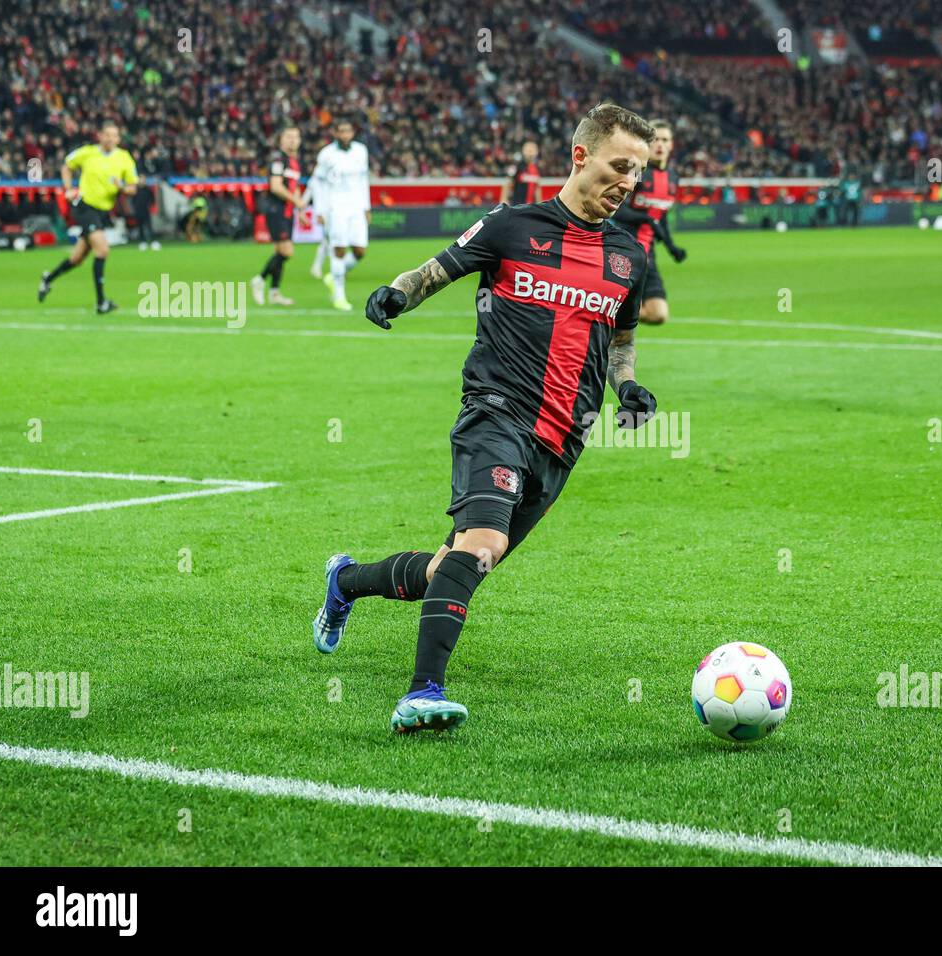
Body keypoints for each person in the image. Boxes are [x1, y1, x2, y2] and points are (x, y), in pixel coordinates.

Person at [311, 104, 659, 733]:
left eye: (638, 172)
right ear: (581, 155)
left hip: (565, 437)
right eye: (618, 167)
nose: (628, 183)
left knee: (459, 564)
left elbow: (623, 340)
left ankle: (347, 582)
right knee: (482, 542)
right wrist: (397, 294)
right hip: (495, 411)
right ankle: (422, 692)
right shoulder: (512, 227)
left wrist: (630, 388)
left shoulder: (627, 257)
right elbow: (436, 270)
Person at [37, 121, 138, 313]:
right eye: (106, 134)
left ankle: (47, 279)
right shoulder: (88, 152)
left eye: (114, 135)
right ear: (99, 136)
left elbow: (133, 187)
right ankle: (101, 303)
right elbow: (66, 166)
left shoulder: (124, 158)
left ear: (118, 138)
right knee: (102, 250)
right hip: (85, 207)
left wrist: (122, 187)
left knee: (77, 258)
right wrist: (68, 189)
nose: (110, 138)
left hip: (102, 212)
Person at [612, 119, 685, 325]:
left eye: (665, 140)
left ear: (671, 144)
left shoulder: (673, 177)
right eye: (655, 140)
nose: (660, 144)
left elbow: (660, 218)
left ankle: (603, 315)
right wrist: (646, 219)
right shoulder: (635, 171)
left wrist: (672, 248)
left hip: (648, 255)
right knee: (623, 331)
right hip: (624, 250)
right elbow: (617, 210)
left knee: (658, 313)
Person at [310, 119, 372, 311]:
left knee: (360, 250)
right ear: (335, 133)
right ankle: (339, 295)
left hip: (356, 207)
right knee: (339, 249)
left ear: (352, 133)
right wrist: (320, 210)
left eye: (348, 131)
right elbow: (317, 183)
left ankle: (334, 275)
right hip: (335, 207)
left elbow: (364, 180)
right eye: (342, 131)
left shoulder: (361, 150)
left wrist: (366, 207)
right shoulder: (326, 154)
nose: (345, 135)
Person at [250, 127, 307, 307]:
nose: (292, 140)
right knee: (286, 251)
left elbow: (294, 187)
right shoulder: (278, 160)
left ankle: (274, 292)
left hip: (288, 212)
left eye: (295, 137)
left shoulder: (295, 162)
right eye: (288, 137)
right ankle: (259, 279)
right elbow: (275, 186)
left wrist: (300, 211)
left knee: (279, 252)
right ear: (281, 140)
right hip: (276, 210)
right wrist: (296, 202)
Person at [502, 141, 540, 205]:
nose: (530, 153)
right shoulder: (516, 166)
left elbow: (537, 188)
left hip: (532, 206)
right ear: (523, 151)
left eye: (532, 150)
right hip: (518, 206)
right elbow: (507, 183)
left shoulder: (537, 169)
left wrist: (539, 203)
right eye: (528, 150)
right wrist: (503, 200)